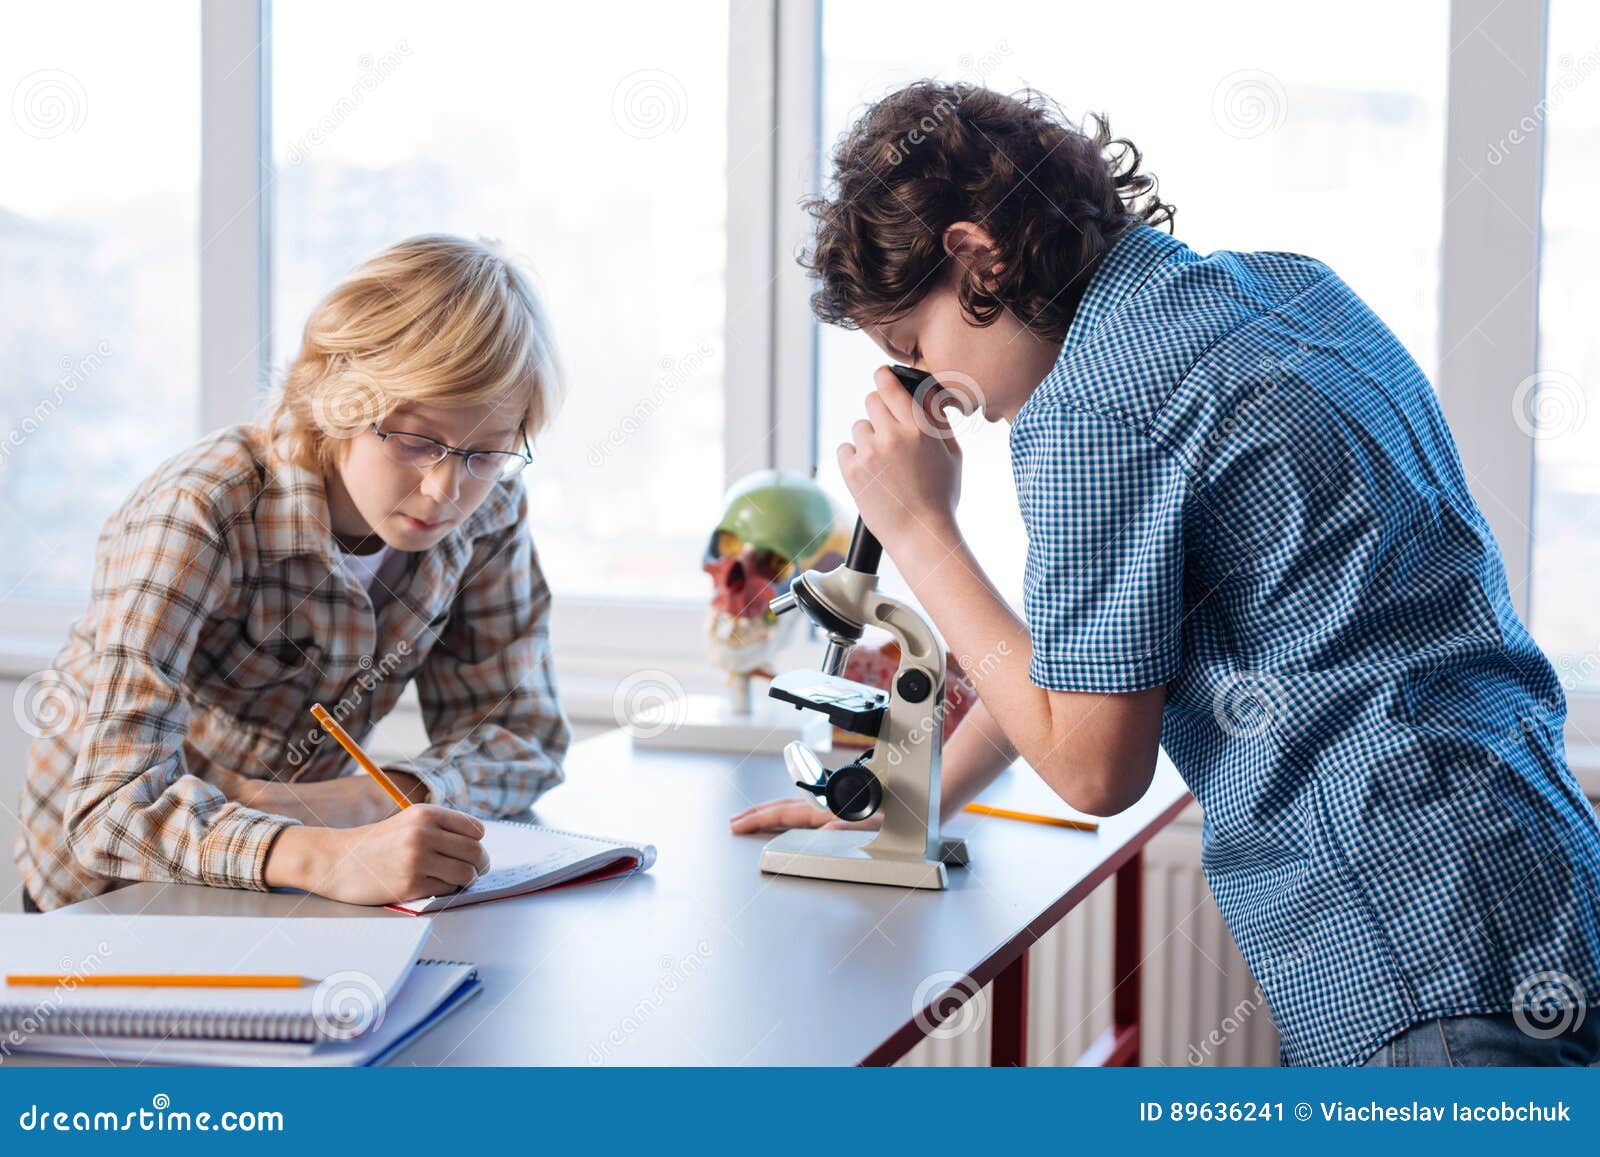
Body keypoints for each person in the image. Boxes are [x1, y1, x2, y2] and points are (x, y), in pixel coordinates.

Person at [731, 81, 1600, 1067]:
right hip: (1538, 875)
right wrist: (914, 795)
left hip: (1408, 951)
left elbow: (1094, 766)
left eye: (914, 349)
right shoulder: (1291, 288)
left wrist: (921, 530)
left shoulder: (1094, 409)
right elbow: (1081, 672)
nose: (934, 396)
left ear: (978, 257)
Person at [16, 235, 570, 911]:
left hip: (296, 888)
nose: (445, 490)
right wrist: (325, 849)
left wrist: (372, 797)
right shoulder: (202, 510)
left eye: (486, 452)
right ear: (339, 399)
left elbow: (524, 734)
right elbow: (111, 808)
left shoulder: (490, 512)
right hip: (105, 900)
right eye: (419, 441)